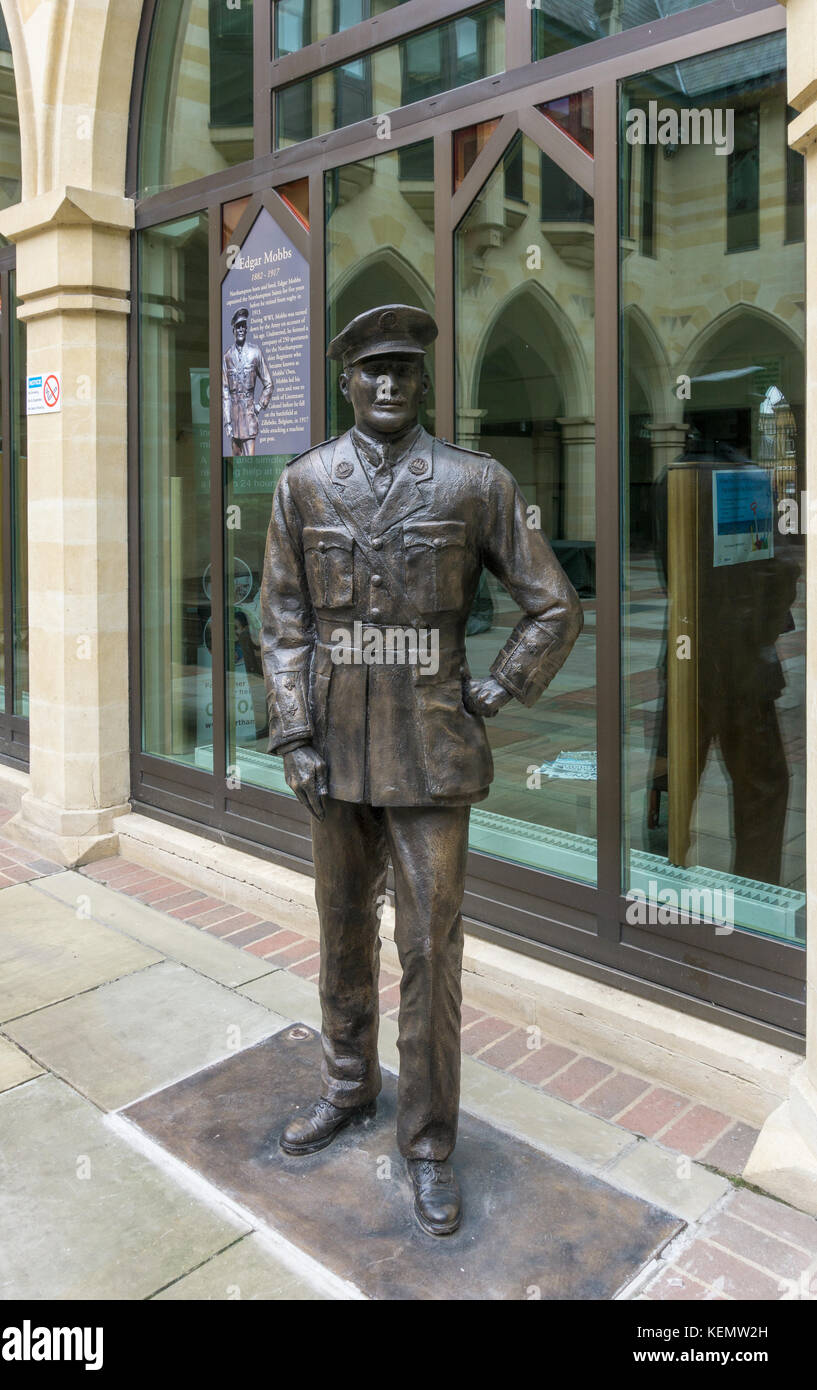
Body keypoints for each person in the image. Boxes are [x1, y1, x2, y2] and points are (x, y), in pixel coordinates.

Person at [259, 305, 583, 1236]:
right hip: (332, 746)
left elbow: (553, 607)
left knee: (431, 950)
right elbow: (282, 622)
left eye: (405, 369)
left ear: (427, 381)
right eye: (372, 370)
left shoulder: (477, 483)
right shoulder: (305, 484)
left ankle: (430, 1143)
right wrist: (293, 737)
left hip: (434, 748)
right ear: (347, 381)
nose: (390, 384)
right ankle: (347, 1084)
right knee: (339, 930)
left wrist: (501, 685)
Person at [222, 306, 273, 457]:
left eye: (243, 326)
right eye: (238, 327)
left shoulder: (255, 352)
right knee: (237, 469)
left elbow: (268, 384)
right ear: (233, 329)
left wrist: (259, 406)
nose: (241, 330)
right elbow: (225, 392)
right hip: (234, 421)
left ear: (246, 329)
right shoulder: (227, 357)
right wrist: (227, 423)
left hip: (249, 421)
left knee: (251, 466)